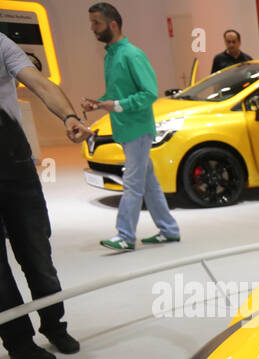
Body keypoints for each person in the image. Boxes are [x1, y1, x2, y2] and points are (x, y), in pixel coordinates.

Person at [0, 34, 90, 359]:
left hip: (13, 160)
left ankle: (54, 325)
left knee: (37, 251)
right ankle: (18, 341)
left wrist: (69, 116)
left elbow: (40, 83)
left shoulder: (1, 44)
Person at [82, 3, 180, 252]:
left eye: (97, 23)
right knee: (148, 183)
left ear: (112, 25)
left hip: (137, 129)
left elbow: (149, 94)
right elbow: (118, 94)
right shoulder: (112, 55)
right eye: (92, 23)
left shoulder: (132, 54)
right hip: (126, 128)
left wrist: (115, 105)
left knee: (133, 184)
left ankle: (125, 235)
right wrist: (99, 104)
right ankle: (169, 229)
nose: (92, 28)